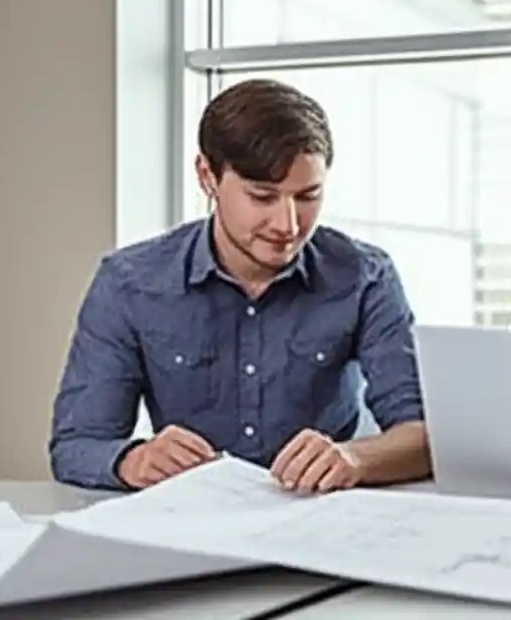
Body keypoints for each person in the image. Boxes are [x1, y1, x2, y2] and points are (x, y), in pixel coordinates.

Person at [50, 79, 430, 493]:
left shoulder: (365, 277)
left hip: (318, 521)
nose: (288, 225)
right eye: (262, 197)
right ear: (207, 176)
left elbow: (423, 433)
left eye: (307, 196)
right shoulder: (128, 283)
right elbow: (77, 444)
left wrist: (354, 458)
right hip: (187, 524)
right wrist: (132, 459)